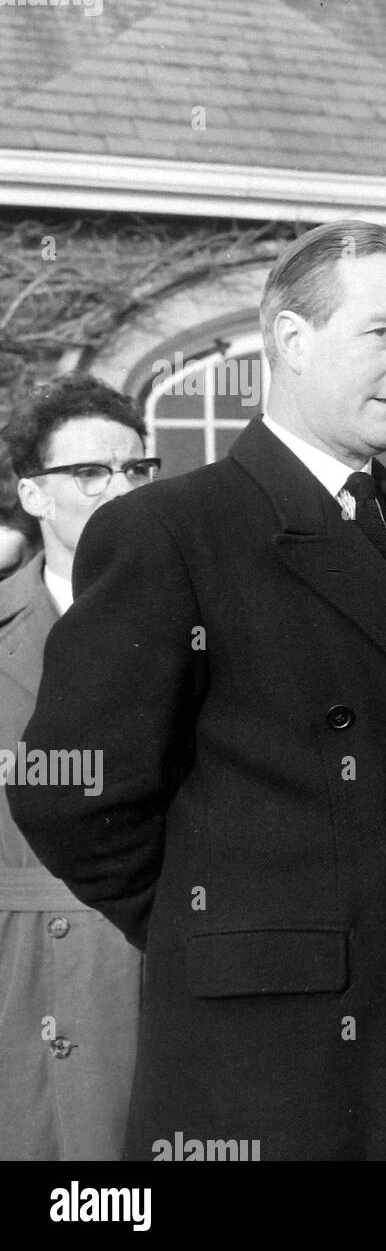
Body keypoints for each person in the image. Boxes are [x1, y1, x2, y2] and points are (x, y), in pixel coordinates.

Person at [10, 220, 386, 1161]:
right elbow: (68, 792)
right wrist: (223, 927)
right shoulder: (171, 533)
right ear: (288, 340)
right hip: (265, 1055)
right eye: (383, 334)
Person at [0, 374, 148, 1159]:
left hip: (145, 963)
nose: (118, 490)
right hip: (16, 978)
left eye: (134, 470)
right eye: (89, 473)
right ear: (34, 494)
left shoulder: (196, 627)